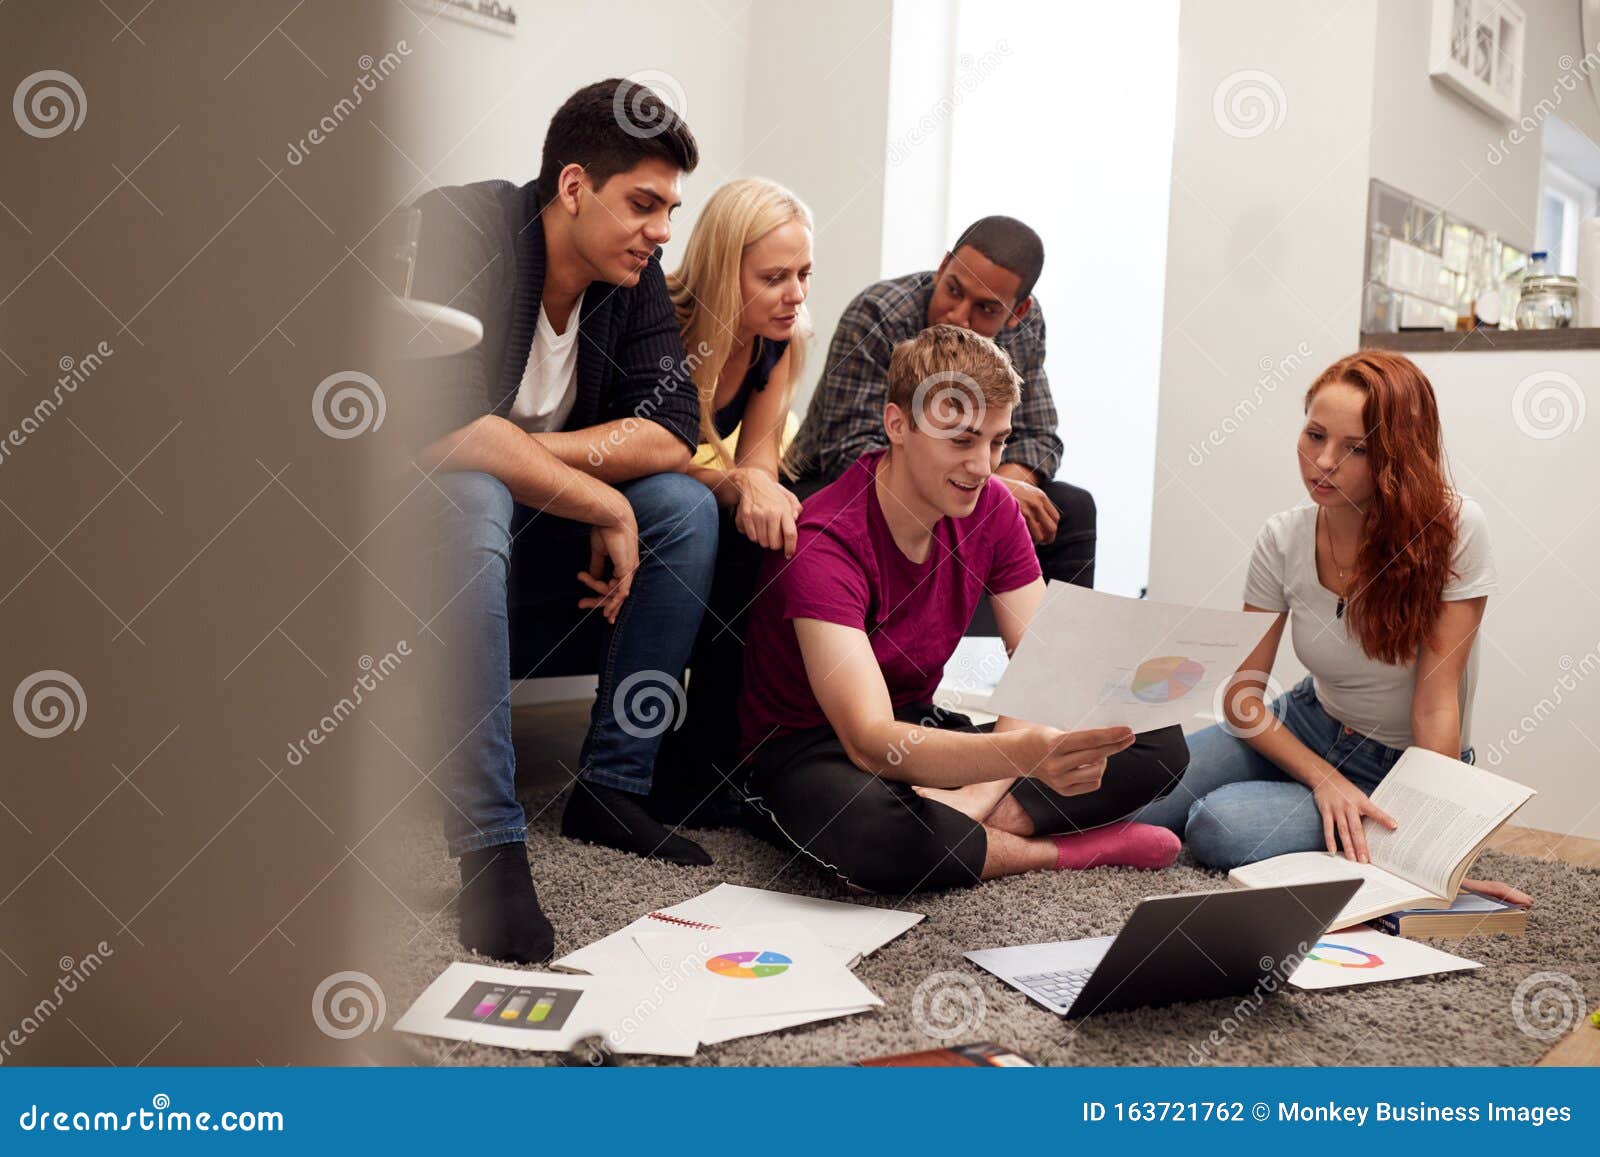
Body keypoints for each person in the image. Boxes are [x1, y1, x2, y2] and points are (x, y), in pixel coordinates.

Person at [410, 79, 719, 965]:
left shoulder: (634, 276)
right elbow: (439, 430)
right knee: (475, 492)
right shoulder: (464, 228)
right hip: (434, 510)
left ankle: (615, 785)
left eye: (671, 209)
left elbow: (670, 428)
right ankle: (490, 843)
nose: (662, 231)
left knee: (688, 508)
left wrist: (538, 463)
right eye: (644, 204)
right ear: (574, 186)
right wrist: (599, 496)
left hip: (532, 513)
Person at [734, 325, 1187, 894]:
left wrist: (982, 788)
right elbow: (869, 740)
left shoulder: (993, 506)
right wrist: (1019, 755)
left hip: (919, 724)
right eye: (961, 441)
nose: (982, 465)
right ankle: (1056, 852)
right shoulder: (827, 540)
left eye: (997, 442)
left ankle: (959, 826)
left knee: (1154, 736)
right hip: (811, 749)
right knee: (871, 834)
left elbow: (1045, 664)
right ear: (897, 424)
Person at [1134, 351, 1531, 906]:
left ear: (1398, 456)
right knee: (1137, 792)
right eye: (1314, 435)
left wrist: (1429, 852)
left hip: (1395, 766)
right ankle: (1315, 802)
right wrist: (1322, 777)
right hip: (1307, 724)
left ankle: (1346, 819)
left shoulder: (1457, 528)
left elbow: (1437, 706)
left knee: (1219, 827)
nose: (1322, 462)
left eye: (1356, 448)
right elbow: (1243, 696)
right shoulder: (1283, 537)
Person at [784, 216, 1096, 604]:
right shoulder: (878, 313)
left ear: (1018, 312)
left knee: (1071, 509)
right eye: (953, 289)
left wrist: (994, 484)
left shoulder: (1025, 327)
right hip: (832, 483)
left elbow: (1039, 436)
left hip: (954, 480)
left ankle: (1059, 658)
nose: (958, 315)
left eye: (985, 308)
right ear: (943, 265)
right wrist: (991, 488)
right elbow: (848, 450)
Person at [647, 179, 813, 825]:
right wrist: (740, 486)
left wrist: (760, 491)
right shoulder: (661, 315)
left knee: (765, 528)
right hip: (639, 483)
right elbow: (653, 450)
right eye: (773, 277)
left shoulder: (780, 340)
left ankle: (721, 756)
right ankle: (665, 763)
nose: (795, 294)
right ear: (724, 266)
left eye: (803, 272)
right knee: (715, 512)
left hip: (694, 482)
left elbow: (759, 463)